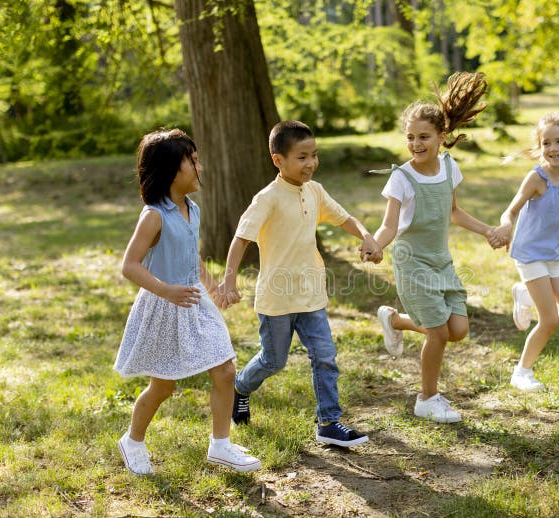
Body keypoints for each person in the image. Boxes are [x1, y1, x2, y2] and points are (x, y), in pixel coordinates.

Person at [218, 120, 380, 447]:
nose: (311, 163)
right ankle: (241, 387)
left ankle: (329, 422)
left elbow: (344, 217)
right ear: (278, 160)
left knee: (324, 355)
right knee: (273, 360)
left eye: (314, 155)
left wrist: (366, 235)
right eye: (302, 157)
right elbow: (241, 238)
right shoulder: (268, 198)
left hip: (311, 295)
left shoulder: (315, 191)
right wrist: (228, 279)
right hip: (276, 299)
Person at [114, 129, 261, 475]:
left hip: (194, 302)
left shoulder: (191, 209)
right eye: (192, 161)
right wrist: (166, 290)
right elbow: (129, 265)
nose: (200, 167)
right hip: (163, 308)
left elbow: (191, 258)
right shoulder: (154, 216)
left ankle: (221, 445)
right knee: (163, 386)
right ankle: (133, 440)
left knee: (225, 370)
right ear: (169, 170)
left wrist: (215, 289)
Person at [372, 72, 500, 423]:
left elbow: (455, 212)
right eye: (410, 137)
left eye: (424, 136)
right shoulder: (401, 177)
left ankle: (395, 321)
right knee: (439, 332)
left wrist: (487, 230)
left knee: (457, 330)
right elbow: (390, 224)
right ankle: (427, 398)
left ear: (441, 137)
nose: (416, 143)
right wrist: (376, 244)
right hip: (411, 262)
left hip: (440, 261)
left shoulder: (449, 167)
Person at [489, 112, 559, 391]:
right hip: (530, 254)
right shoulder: (537, 178)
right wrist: (505, 227)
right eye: (546, 143)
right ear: (539, 148)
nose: (553, 149)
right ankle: (522, 372)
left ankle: (526, 294)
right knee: (549, 320)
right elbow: (511, 210)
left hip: (556, 254)